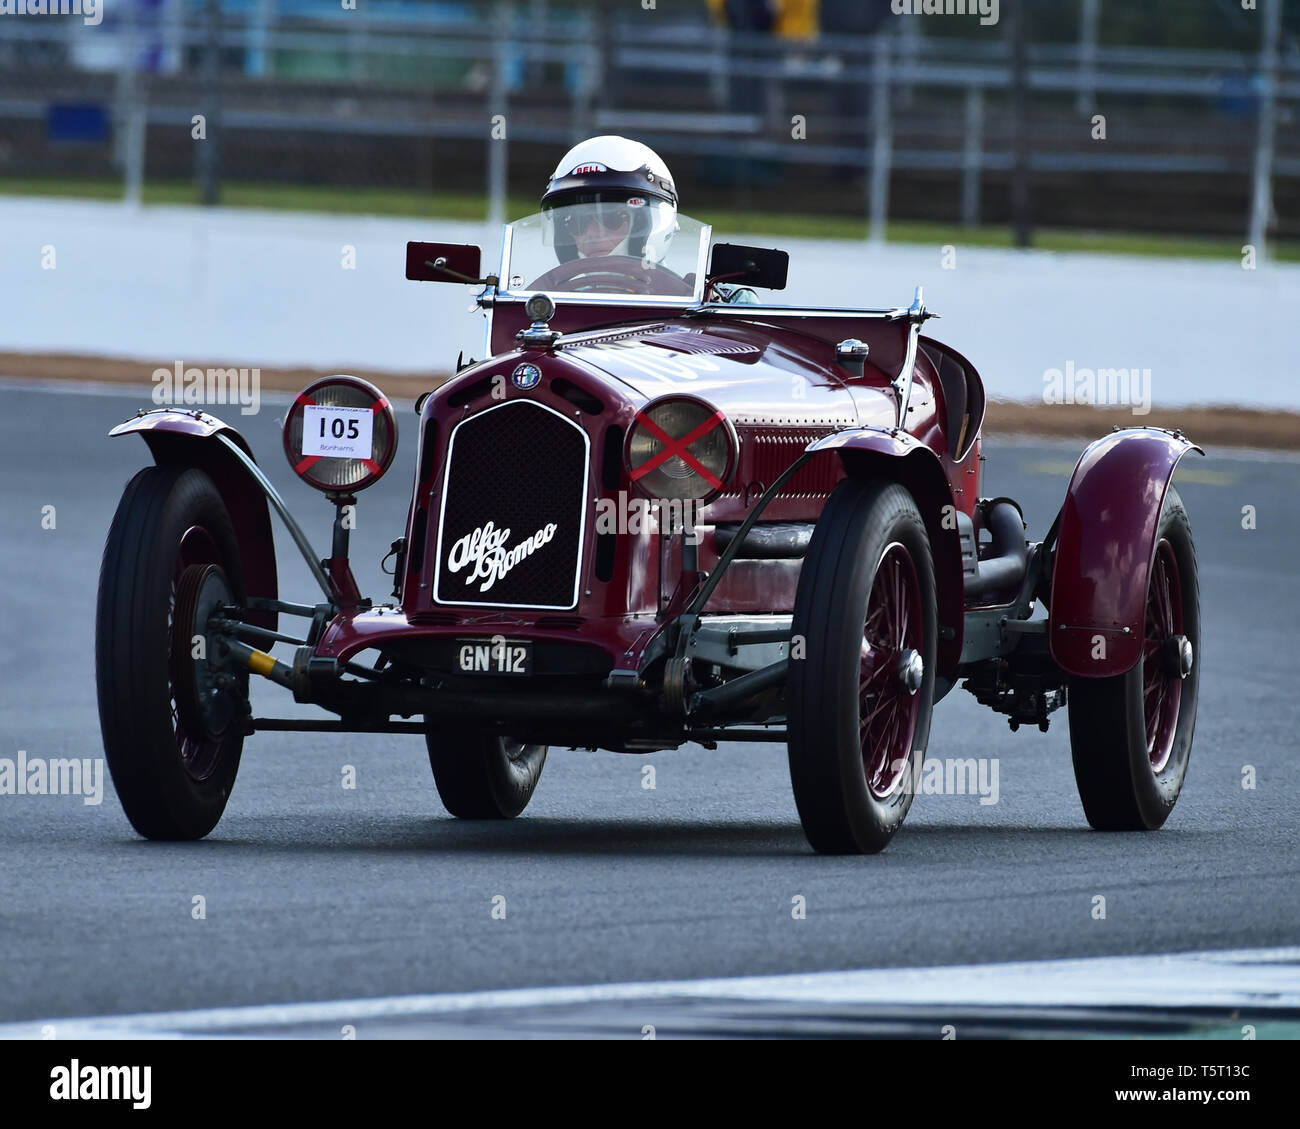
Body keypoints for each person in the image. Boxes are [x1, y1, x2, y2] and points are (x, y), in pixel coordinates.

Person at [530, 135, 691, 294]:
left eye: (610, 218)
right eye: (577, 222)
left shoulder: (691, 309)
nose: (592, 234)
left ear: (655, 221)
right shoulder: (544, 311)